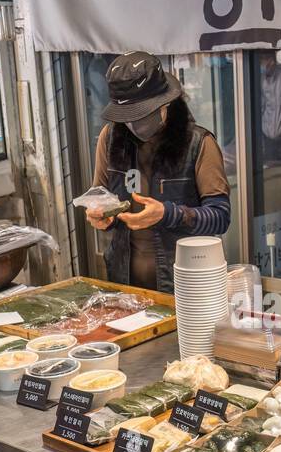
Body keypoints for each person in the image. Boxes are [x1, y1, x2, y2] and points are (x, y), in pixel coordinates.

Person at [86, 51, 230, 293]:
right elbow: (98, 196)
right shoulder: (109, 138)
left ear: (166, 102)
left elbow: (220, 216)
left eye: (142, 114)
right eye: (127, 117)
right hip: (124, 282)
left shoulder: (199, 143)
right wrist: (100, 217)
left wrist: (168, 214)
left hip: (186, 286)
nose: (134, 124)